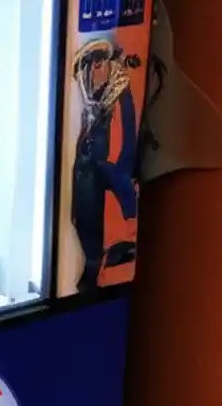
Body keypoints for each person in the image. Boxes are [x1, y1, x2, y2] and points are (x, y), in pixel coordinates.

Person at [70, 39, 140, 292]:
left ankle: (95, 270)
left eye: (98, 61)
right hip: (88, 169)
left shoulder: (120, 93)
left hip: (102, 170)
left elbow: (126, 145)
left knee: (93, 229)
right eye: (90, 63)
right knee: (83, 221)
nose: (94, 67)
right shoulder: (91, 94)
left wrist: (114, 172)